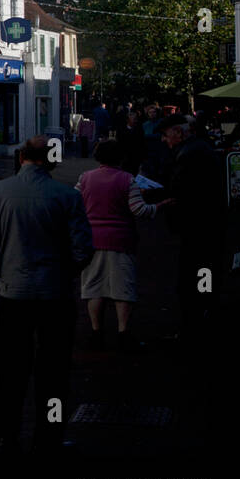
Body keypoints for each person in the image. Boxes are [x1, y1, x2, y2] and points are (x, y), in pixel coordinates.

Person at [0, 136, 93, 455]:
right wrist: (63, 273)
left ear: (22, 157)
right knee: (53, 371)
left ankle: (7, 436)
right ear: (50, 161)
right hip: (55, 296)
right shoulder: (67, 196)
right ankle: (48, 435)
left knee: (11, 372)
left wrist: (5, 271)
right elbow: (83, 249)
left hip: (14, 295)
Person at [76, 139, 170, 352]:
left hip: (92, 239)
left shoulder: (85, 178)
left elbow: (76, 204)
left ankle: (96, 331)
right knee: (123, 288)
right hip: (121, 240)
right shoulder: (128, 180)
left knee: (94, 288)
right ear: (121, 157)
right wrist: (160, 205)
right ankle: (123, 332)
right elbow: (140, 211)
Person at [157, 114, 225, 341]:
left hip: (197, 228)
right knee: (204, 271)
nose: (164, 141)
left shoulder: (188, 155)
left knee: (194, 274)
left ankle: (198, 322)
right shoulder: (200, 149)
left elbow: (180, 189)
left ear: (177, 132)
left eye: (166, 136)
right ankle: (206, 313)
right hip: (207, 226)